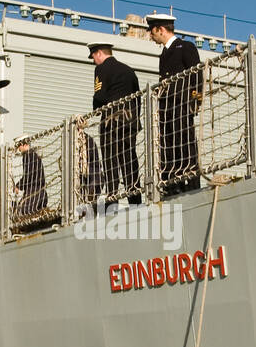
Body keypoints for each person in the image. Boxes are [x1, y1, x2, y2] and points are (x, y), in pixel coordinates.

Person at [147, 13, 202, 191]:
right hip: (167, 108)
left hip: (181, 105)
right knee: (168, 145)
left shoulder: (185, 47)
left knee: (185, 143)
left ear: (160, 29)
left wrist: (195, 102)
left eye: (152, 31)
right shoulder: (164, 54)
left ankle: (191, 183)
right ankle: (173, 182)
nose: (151, 36)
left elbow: (197, 77)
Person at [90, 42, 141, 205]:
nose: (93, 61)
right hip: (129, 121)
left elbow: (100, 96)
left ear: (98, 53)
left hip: (111, 122)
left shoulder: (101, 69)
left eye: (93, 57)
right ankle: (135, 200)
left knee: (110, 161)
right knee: (129, 161)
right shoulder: (129, 70)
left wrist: (95, 109)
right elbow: (137, 97)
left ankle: (112, 200)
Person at [74, 115, 102, 217]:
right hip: (77, 175)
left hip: (89, 172)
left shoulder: (88, 140)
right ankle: (82, 211)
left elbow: (95, 162)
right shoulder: (71, 142)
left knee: (95, 179)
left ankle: (90, 206)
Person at [15, 136, 48, 219]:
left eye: (19, 146)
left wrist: (18, 186)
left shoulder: (28, 156)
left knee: (23, 212)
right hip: (41, 192)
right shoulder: (34, 155)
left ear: (24, 144)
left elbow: (29, 174)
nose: (19, 149)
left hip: (34, 192)